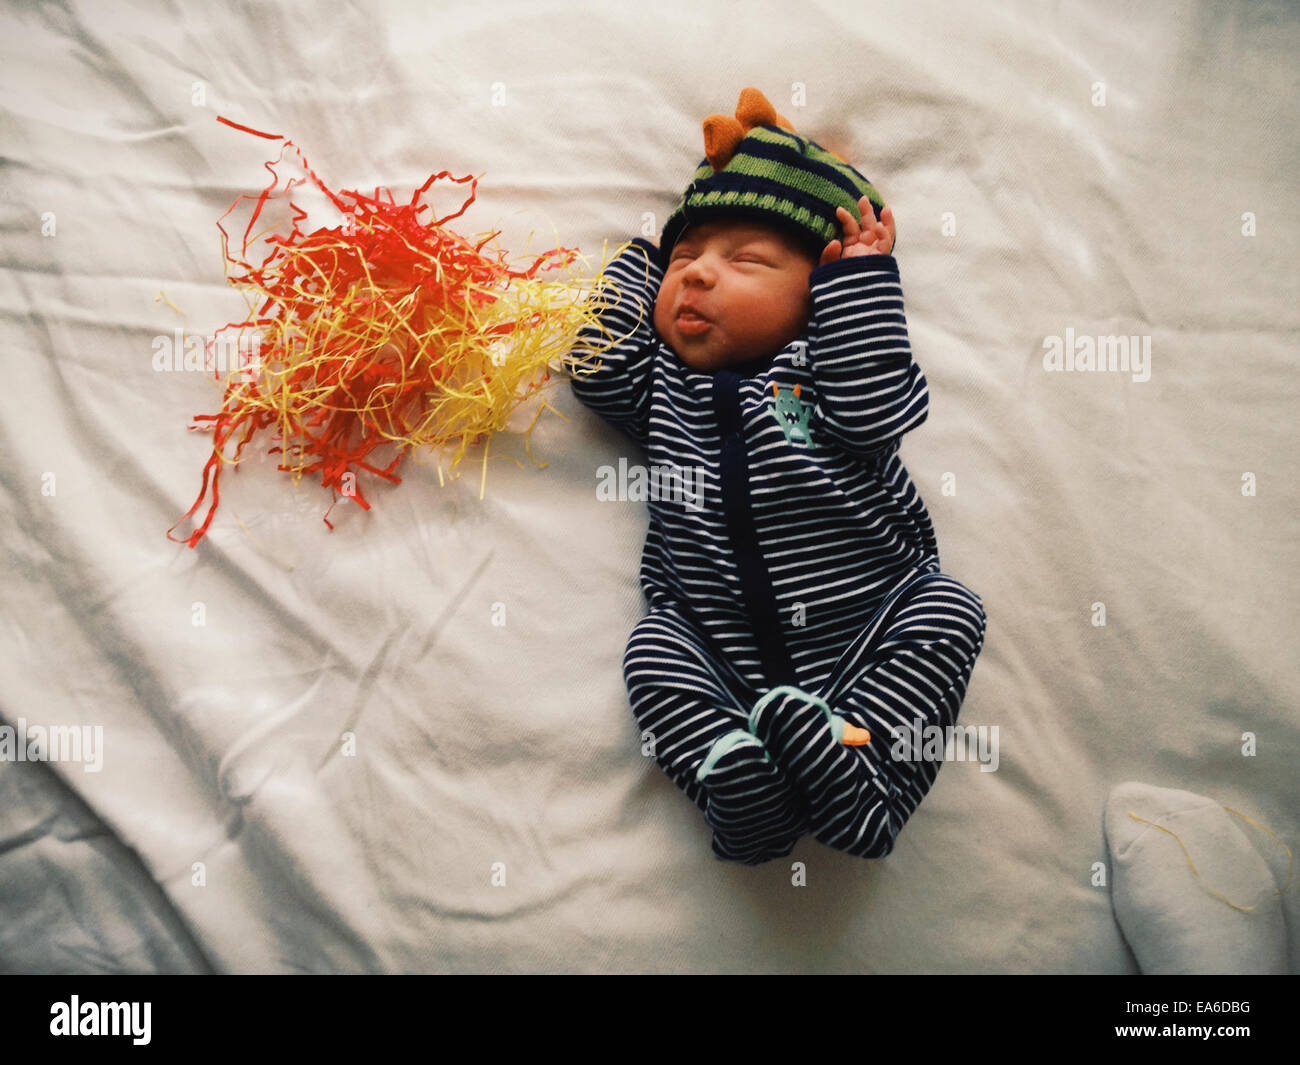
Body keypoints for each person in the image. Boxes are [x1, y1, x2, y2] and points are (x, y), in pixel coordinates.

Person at [569, 88, 987, 864]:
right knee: (654, 654)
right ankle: (741, 791)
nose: (695, 278)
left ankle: (868, 779)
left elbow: (876, 410)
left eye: (745, 261)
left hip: (865, 624)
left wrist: (859, 287)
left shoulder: (822, 374)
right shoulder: (663, 384)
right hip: (716, 646)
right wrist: (635, 266)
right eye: (684, 259)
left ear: (812, 297)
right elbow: (596, 372)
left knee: (948, 610)